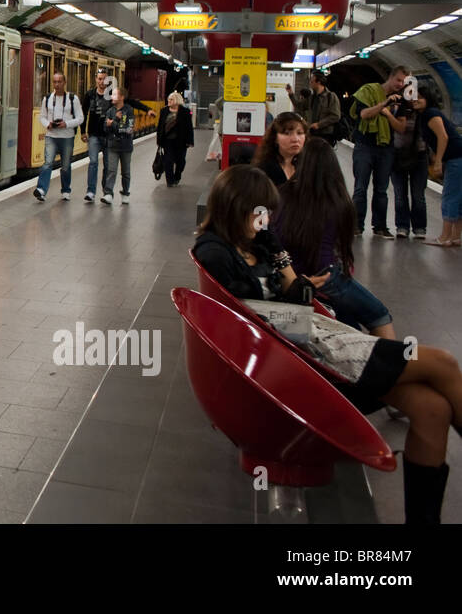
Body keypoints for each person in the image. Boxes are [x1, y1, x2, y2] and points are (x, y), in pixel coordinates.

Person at [193, 165, 462, 523]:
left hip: (311, 339)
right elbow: (251, 319)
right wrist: (295, 292)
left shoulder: (257, 241)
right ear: (235, 207)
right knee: (442, 362)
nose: (266, 220)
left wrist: (279, 257)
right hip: (303, 360)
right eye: (260, 212)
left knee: (432, 409)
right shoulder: (215, 251)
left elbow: (297, 292)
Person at [274, 139, 396, 338]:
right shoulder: (339, 202)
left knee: (349, 319)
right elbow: (340, 248)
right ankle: (391, 366)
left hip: (291, 278)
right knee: (380, 316)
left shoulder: (281, 195)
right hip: (326, 278)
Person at [350, 66, 408, 238]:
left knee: (381, 189)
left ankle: (380, 226)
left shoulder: (402, 100)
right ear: (390, 77)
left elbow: (401, 127)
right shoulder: (368, 91)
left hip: (386, 148)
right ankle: (357, 225)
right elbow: (364, 114)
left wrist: (389, 115)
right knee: (361, 187)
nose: (400, 84)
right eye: (398, 80)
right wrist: (385, 103)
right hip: (365, 145)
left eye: (404, 82)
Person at [418, 80, 462, 247]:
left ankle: (444, 237)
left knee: (450, 196)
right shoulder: (428, 113)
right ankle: (456, 237)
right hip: (458, 157)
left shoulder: (430, 114)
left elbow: (443, 137)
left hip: (456, 158)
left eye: (420, 97)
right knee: (458, 198)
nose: (416, 100)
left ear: (427, 98)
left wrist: (438, 162)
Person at [385, 84, 429, 240]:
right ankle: (402, 226)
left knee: (418, 194)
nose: (412, 97)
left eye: (415, 94)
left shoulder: (424, 113)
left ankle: (419, 227)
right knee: (400, 194)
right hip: (398, 155)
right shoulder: (395, 108)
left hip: (419, 155)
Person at [34, 72, 83, 201]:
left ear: (64, 82)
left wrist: (66, 124)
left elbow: (80, 118)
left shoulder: (73, 99)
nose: (57, 84)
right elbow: (42, 116)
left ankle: (66, 190)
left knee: (66, 165)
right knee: (48, 163)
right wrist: (48, 124)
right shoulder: (48, 98)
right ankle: (41, 189)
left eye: (59, 82)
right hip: (51, 136)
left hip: (67, 137)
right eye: (54, 82)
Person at [251, 111, 306, 186]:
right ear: (275, 138)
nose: (295, 139)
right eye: (287, 133)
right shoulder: (263, 169)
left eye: (300, 133)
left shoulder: (308, 166)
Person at [81, 70, 112, 203]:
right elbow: (84, 112)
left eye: (104, 79)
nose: (101, 82)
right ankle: (91, 191)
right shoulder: (89, 95)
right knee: (93, 162)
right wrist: (83, 131)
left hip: (108, 135)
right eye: (99, 79)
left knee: (107, 164)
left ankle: (106, 192)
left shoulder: (112, 95)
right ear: (96, 79)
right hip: (93, 134)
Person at [101, 87, 135, 205]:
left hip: (126, 146)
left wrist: (113, 123)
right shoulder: (110, 111)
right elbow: (105, 128)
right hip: (112, 146)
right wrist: (116, 120)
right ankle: (108, 193)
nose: (111, 97)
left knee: (125, 172)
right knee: (111, 170)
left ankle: (125, 193)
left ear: (122, 97)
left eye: (114, 94)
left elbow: (128, 129)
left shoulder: (129, 110)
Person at [156, 91, 194, 187]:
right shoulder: (164, 111)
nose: (169, 101)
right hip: (167, 141)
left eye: (171, 99)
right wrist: (159, 140)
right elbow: (160, 126)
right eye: (168, 99)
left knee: (180, 161)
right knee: (168, 161)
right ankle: (170, 181)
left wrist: (190, 141)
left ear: (177, 100)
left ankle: (177, 176)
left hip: (181, 142)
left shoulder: (185, 112)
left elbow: (189, 127)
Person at [304, 71, 342, 141]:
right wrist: (291, 94)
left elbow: (336, 116)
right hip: (312, 133)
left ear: (318, 82)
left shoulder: (331, 96)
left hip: (325, 135)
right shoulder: (312, 97)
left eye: (312, 81)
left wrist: (319, 124)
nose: (310, 83)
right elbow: (301, 106)